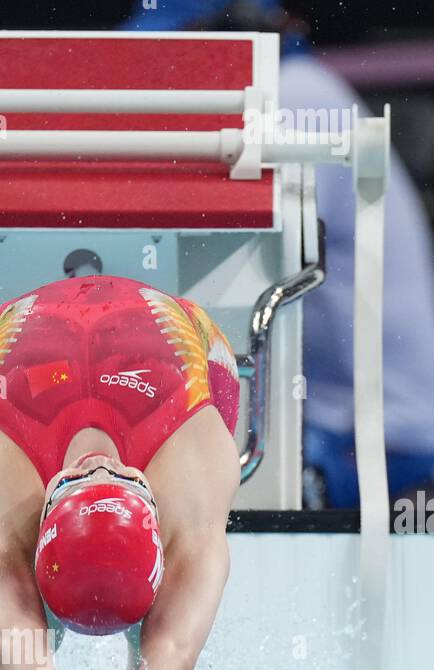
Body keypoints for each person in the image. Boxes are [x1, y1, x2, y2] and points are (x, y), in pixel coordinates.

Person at [120, 0, 434, 505]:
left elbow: (201, 279)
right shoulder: (291, 90)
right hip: (345, 428)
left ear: (229, 33)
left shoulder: (291, 99)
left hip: (381, 449)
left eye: (175, 53)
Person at [0, 274, 240, 670]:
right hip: (152, 373)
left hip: (50, 365)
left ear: (48, 501)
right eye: (116, 478)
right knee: (21, 624)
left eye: (82, 479)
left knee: (157, 641)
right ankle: (40, 613)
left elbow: (175, 654)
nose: (100, 463)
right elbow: (16, 641)